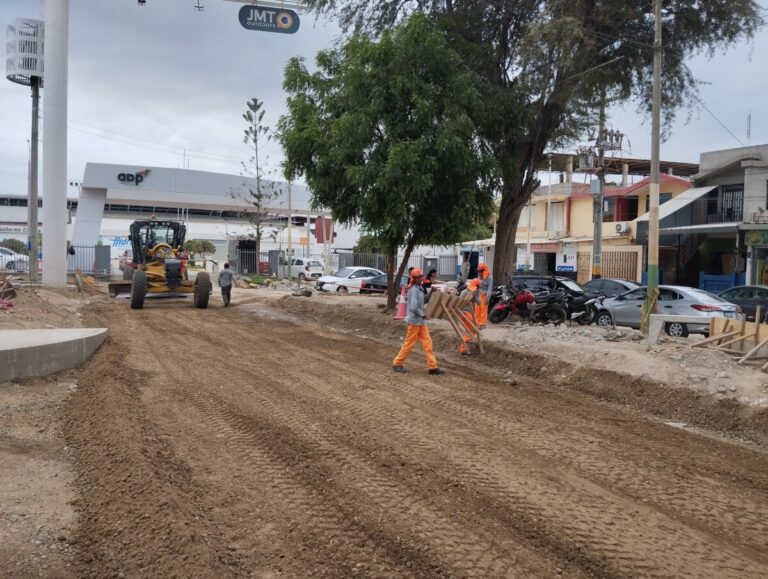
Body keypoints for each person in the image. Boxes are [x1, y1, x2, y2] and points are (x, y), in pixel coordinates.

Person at [392, 268, 445, 375]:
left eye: (422, 277)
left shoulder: (419, 288)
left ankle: (432, 367)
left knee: (427, 343)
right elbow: (413, 307)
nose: (422, 278)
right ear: (415, 278)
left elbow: (424, 300)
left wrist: (430, 293)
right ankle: (397, 363)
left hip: (420, 321)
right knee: (409, 343)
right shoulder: (413, 289)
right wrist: (423, 314)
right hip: (414, 321)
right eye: (420, 277)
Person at [459, 278, 481, 355]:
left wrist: (475, 295)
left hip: (470, 312)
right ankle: (466, 345)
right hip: (463, 312)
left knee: (473, 327)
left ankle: (466, 346)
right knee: (473, 327)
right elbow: (459, 303)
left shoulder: (476, 292)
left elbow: (479, 302)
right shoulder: (464, 292)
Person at [476, 263, 492, 328]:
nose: (479, 273)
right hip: (478, 295)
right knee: (477, 309)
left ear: (483, 271)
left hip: (484, 296)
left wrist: (487, 298)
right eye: (478, 271)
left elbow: (489, 289)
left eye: (480, 271)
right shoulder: (480, 276)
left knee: (483, 310)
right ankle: (476, 322)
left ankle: (482, 324)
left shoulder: (489, 278)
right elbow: (478, 285)